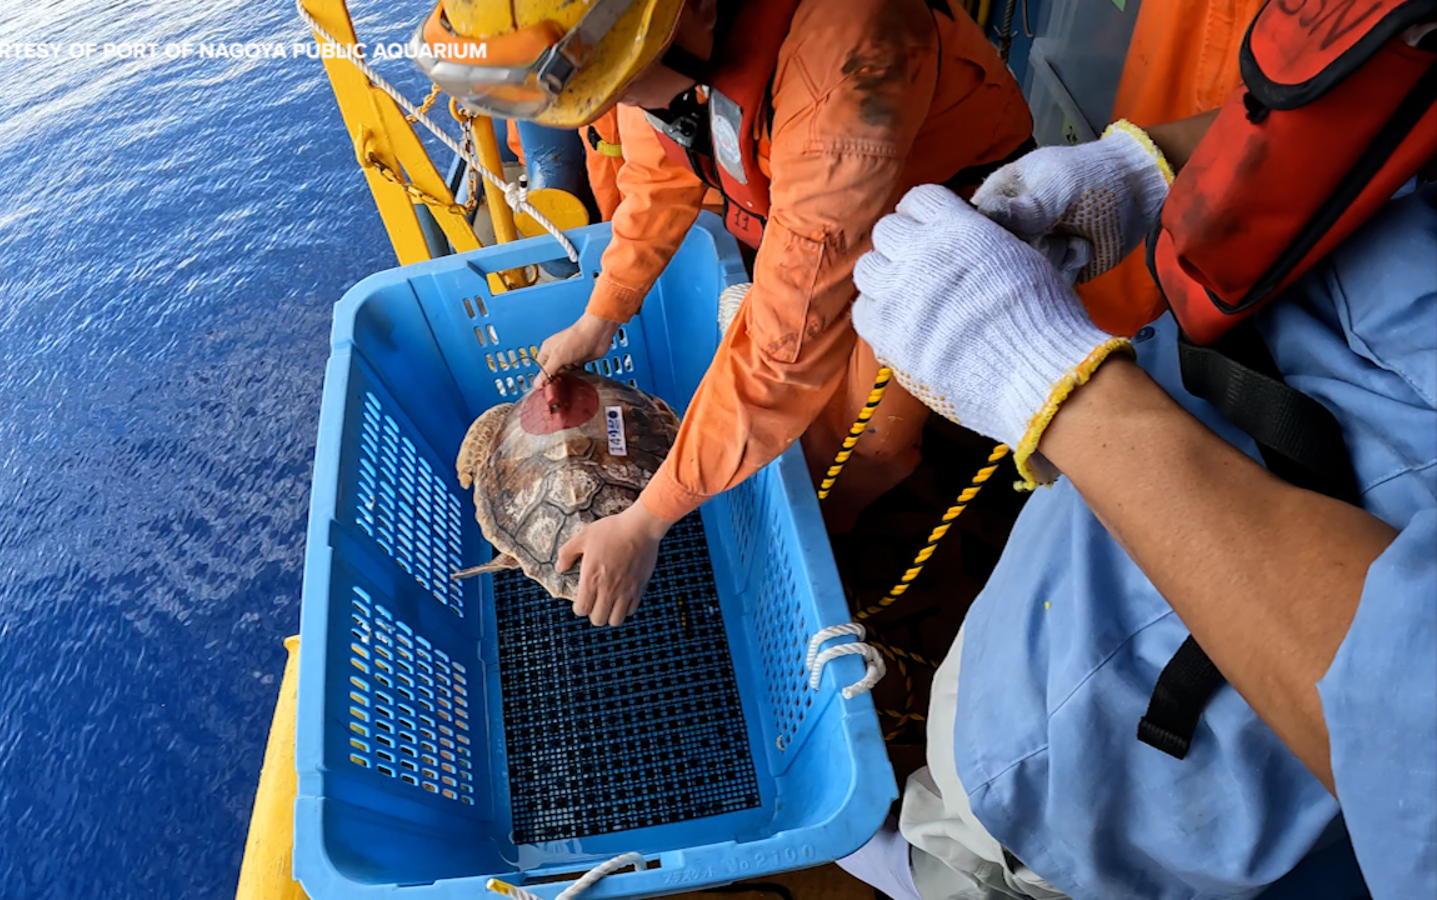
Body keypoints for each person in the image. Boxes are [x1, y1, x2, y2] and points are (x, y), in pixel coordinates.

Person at [837, 126, 1436, 897]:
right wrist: (1159, 167)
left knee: (1045, 835)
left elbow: (1404, 721)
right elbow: (1369, 78)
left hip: (1194, 729)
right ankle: (933, 848)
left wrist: (1054, 387)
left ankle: (947, 877)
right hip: (1134, 467)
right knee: (984, 711)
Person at [413, 0, 1035, 627]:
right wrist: (600, 316)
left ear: (691, 20)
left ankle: (844, 561)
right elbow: (661, 177)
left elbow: (783, 352)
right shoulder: (656, 52)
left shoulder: (845, 81)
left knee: (862, 444)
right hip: (826, 220)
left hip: (946, 232)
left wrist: (644, 521)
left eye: (617, 89)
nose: (613, 109)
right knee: (778, 412)